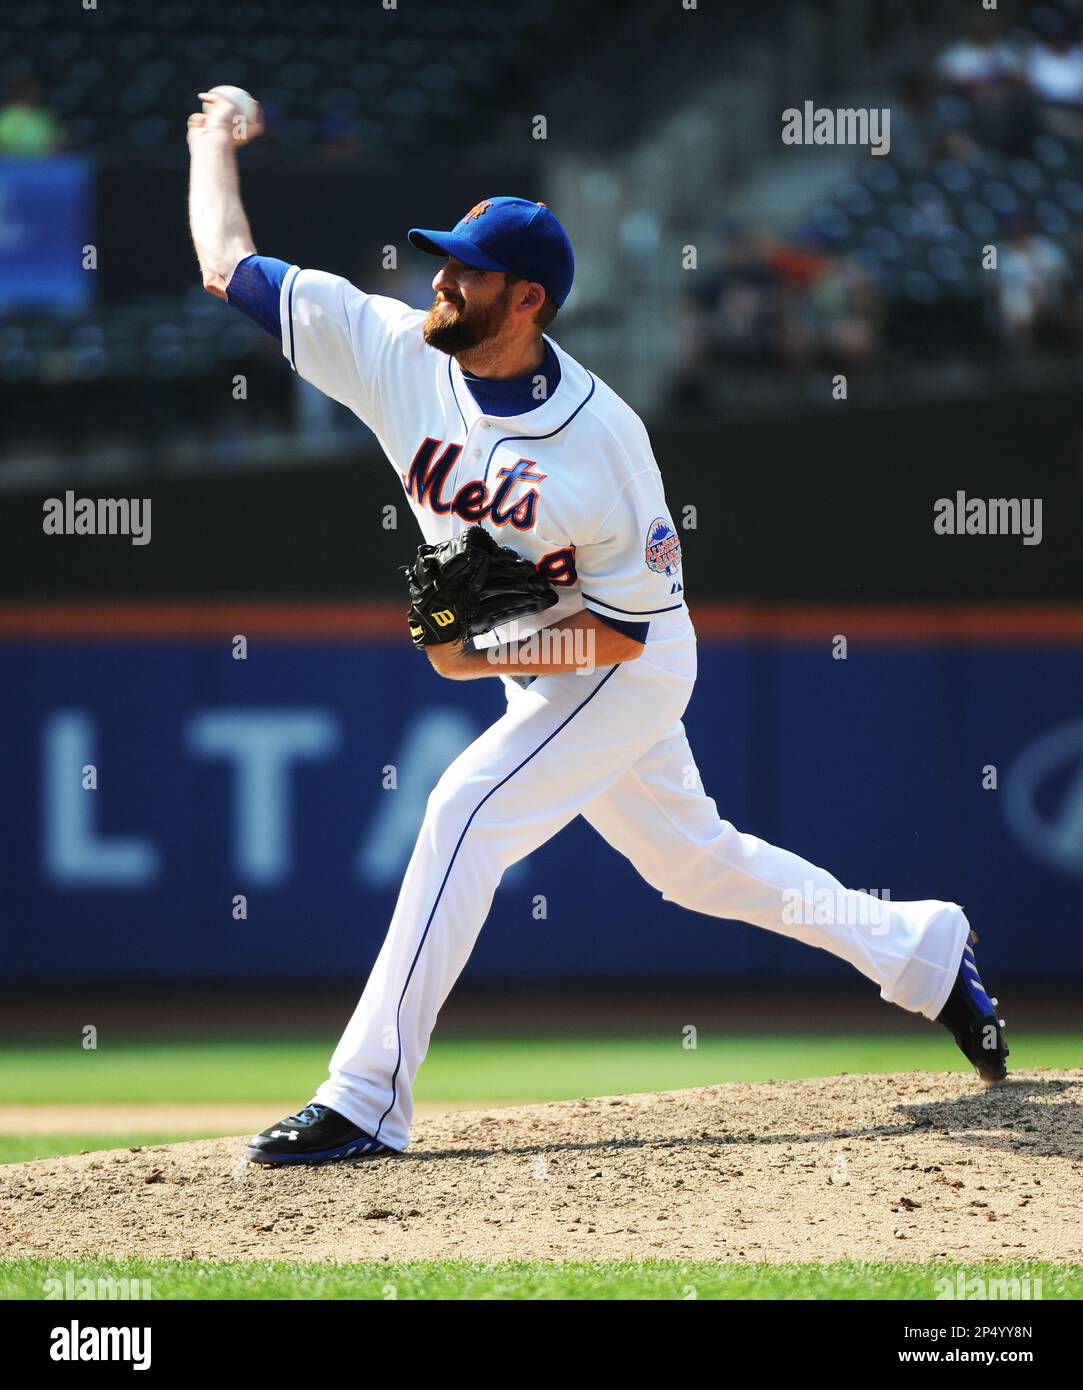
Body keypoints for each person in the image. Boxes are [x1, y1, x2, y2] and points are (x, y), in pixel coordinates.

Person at [185, 90, 1010, 1166]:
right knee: (696, 866)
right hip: (544, 658)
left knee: (462, 810)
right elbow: (227, 263)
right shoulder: (393, 347)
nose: (440, 277)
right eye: (443, 257)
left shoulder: (601, 443)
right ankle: (925, 950)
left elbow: (622, 636)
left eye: (467, 269)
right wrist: (211, 140)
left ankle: (364, 1096)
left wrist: (478, 654)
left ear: (526, 300)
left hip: (625, 662)